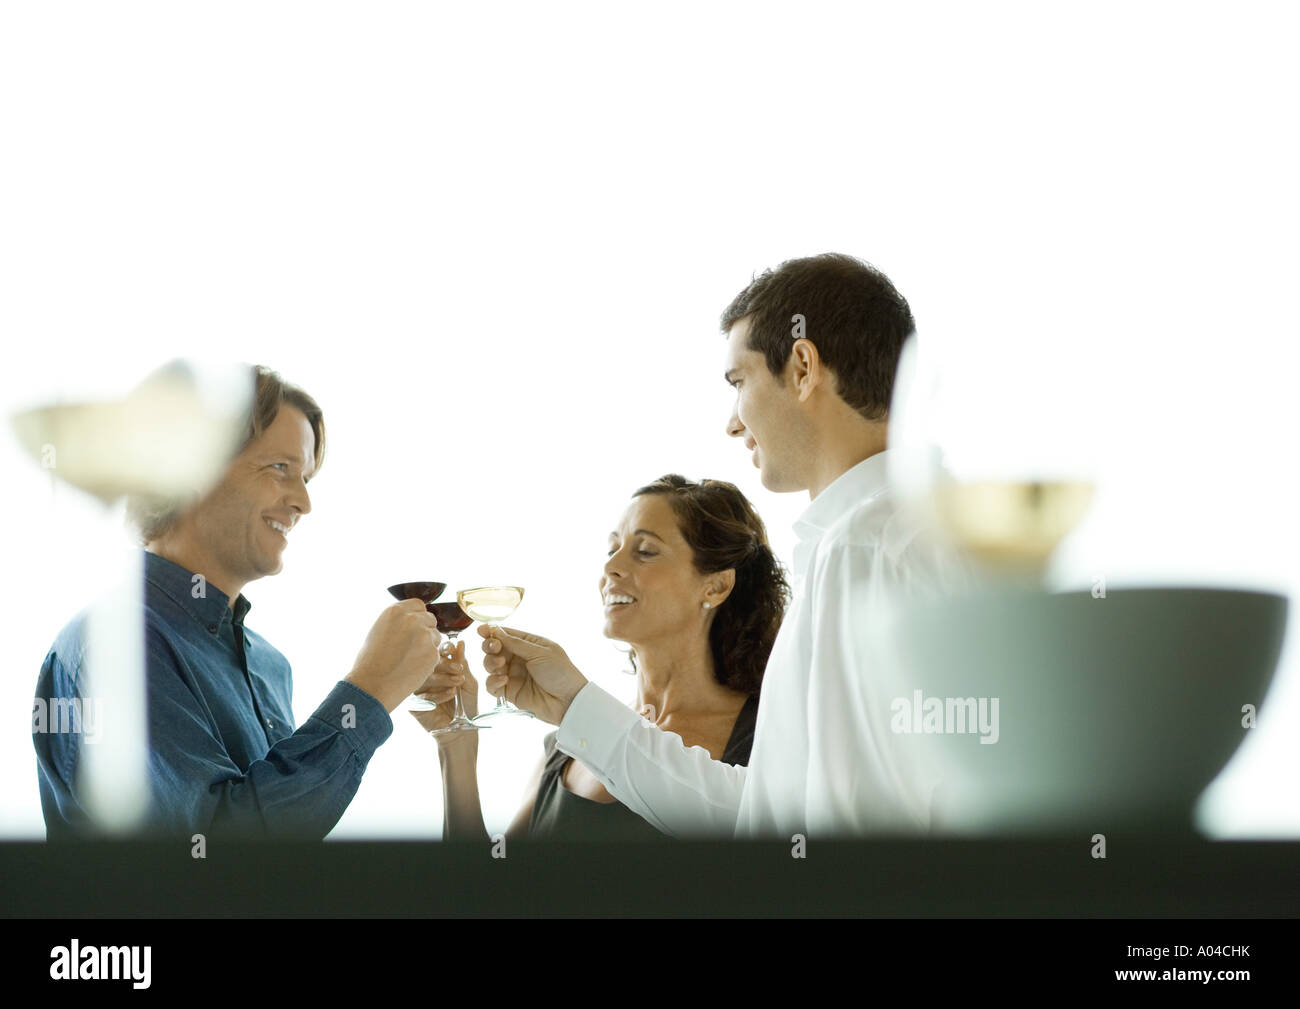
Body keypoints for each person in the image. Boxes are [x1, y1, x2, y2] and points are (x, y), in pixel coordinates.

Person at [477, 253, 972, 838]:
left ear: (804, 366)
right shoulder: (909, 533)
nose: (733, 424)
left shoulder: (865, 548)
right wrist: (575, 707)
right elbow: (769, 816)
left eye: (740, 382)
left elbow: (851, 846)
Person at [33, 365, 455, 839]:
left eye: (306, 478)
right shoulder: (114, 645)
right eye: (281, 469)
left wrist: (439, 730)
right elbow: (219, 852)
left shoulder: (271, 667)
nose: (303, 502)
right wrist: (371, 689)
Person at [416, 475, 789, 840]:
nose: (611, 567)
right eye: (613, 549)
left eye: (645, 551)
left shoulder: (766, 737)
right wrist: (454, 741)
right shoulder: (568, 743)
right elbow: (487, 895)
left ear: (717, 585)